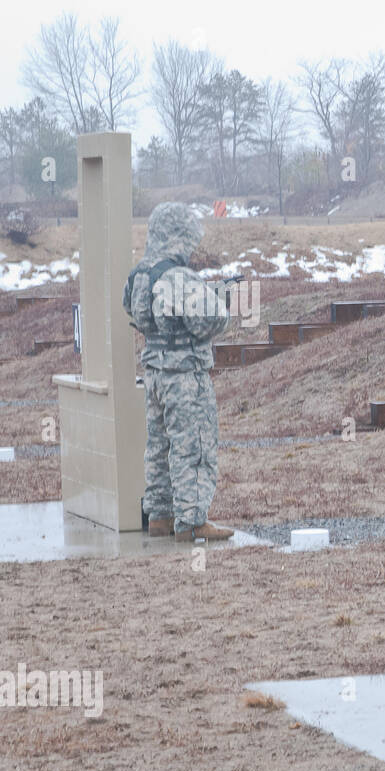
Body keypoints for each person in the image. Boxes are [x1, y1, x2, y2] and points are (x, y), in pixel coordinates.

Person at [124, 202, 234, 542]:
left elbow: (134, 311)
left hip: (155, 372)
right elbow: (210, 321)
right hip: (185, 375)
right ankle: (191, 520)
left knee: (159, 445)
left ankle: (160, 514)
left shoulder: (141, 273)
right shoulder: (179, 277)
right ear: (179, 234)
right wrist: (218, 298)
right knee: (194, 445)